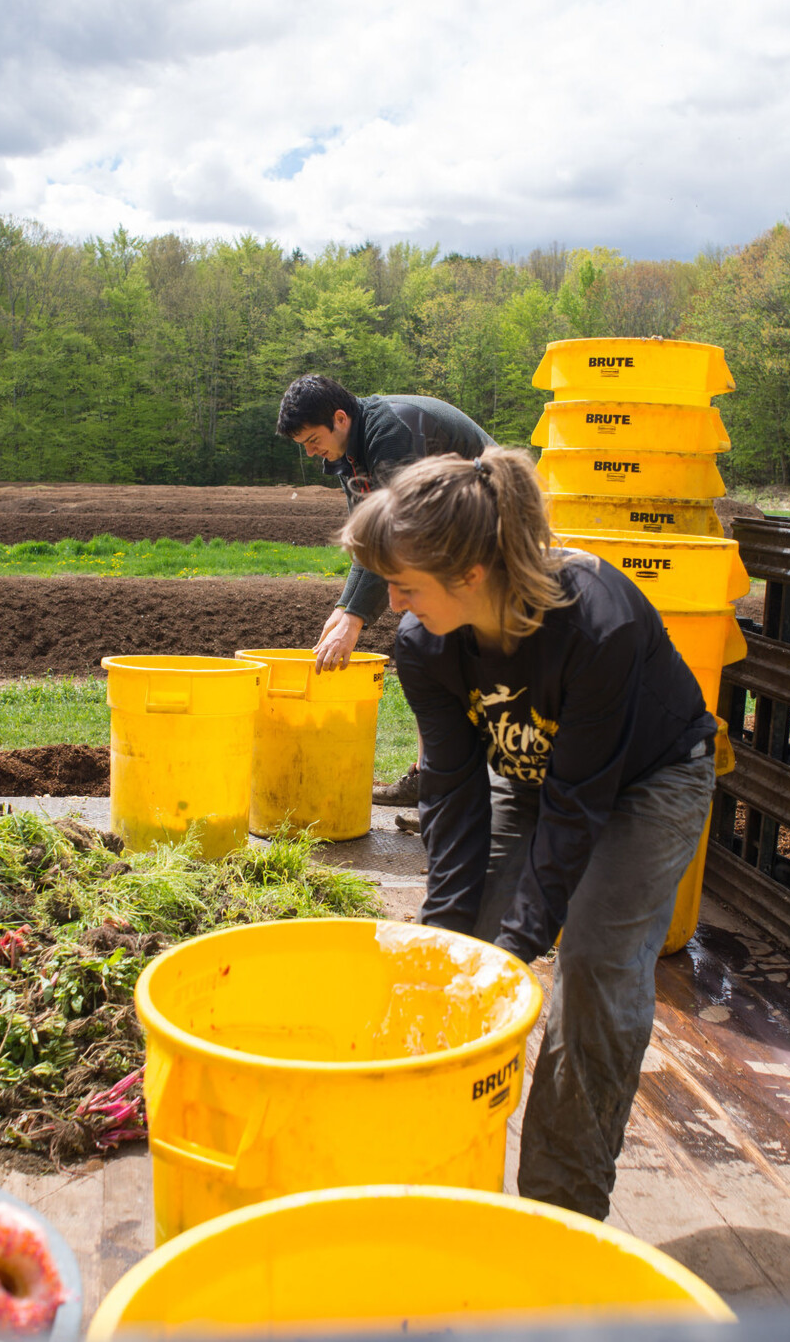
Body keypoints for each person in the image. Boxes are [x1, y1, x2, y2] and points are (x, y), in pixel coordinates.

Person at [340, 447, 718, 1220]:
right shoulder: (425, 641)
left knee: (594, 965)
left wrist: (519, 947)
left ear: (470, 574)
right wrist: (451, 935)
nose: (392, 602)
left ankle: (561, 1206)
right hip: (539, 778)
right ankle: (433, 1159)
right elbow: (452, 792)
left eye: (405, 584)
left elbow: (581, 810)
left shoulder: (597, 622)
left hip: (648, 782)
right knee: (458, 945)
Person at [276, 374, 495, 809]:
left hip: (490, 528)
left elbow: (397, 533)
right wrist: (344, 607)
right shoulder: (350, 453)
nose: (311, 452)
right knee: (428, 645)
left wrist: (355, 620)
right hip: (450, 534)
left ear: (340, 418)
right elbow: (370, 539)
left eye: (313, 440)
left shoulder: (392, 436)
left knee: (443, 647)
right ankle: (434, 780)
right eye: (303, 445)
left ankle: (455, 788)